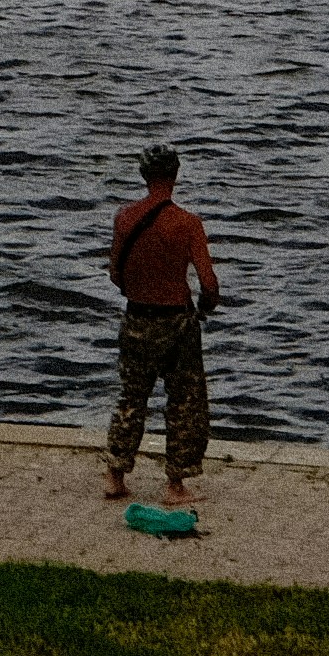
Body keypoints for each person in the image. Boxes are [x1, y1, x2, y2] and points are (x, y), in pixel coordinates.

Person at [101, 145, 226, 498]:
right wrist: (206, 306)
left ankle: (115, 475)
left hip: (136, 317)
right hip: (176, 322)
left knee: (131, 398)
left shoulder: (124, 218)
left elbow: (115, 274)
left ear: (144, 175)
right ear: (176, 174)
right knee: (185, 402)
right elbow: (209, 283)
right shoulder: (188, 223)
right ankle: (175, 483)